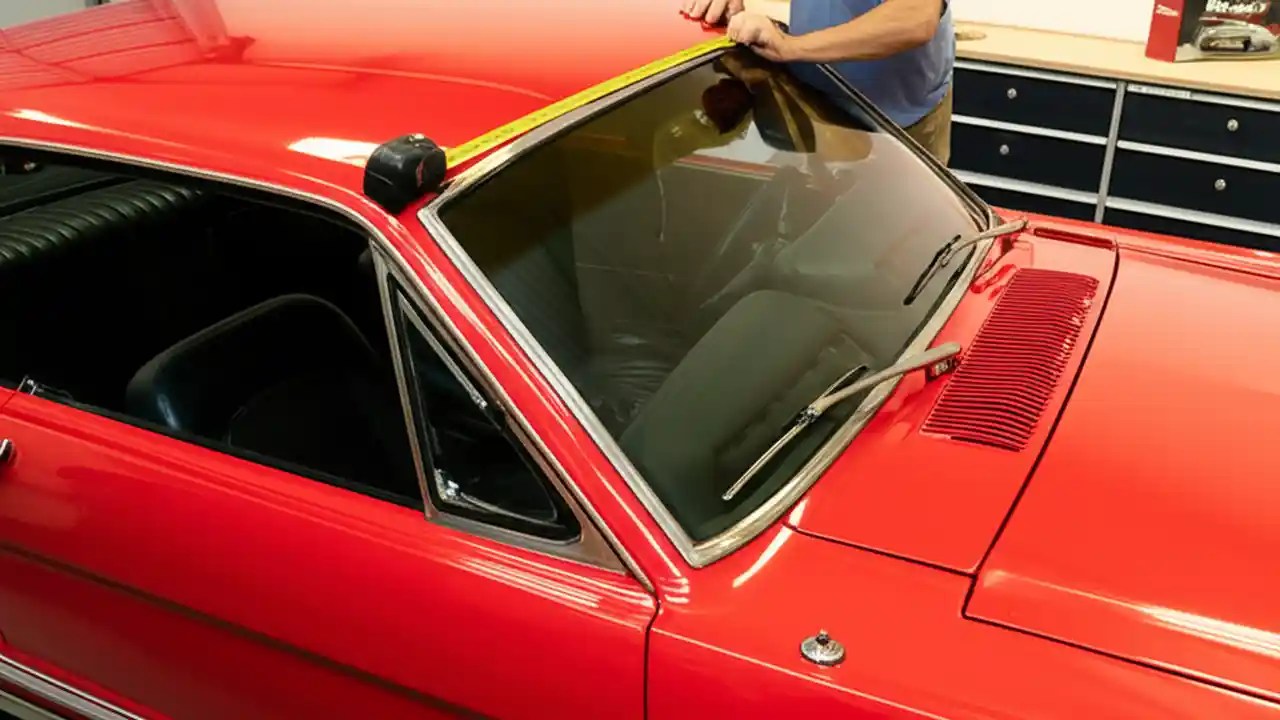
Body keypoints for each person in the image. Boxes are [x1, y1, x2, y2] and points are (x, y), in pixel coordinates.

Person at [680, 0, 955, 165]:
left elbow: (914, 18)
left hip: (895, 122)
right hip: (811, 101)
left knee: (897, 243)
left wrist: (790, 47)